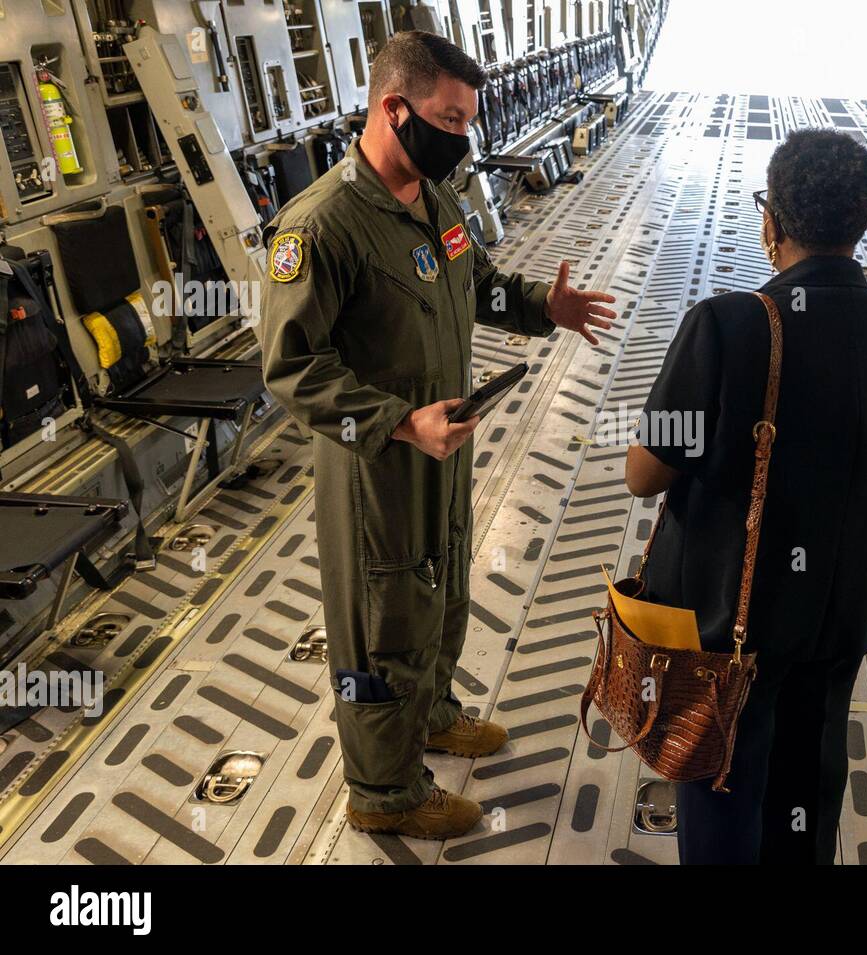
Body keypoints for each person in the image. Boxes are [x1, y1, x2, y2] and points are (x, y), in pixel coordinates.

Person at [259, 31, 616, 840]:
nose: (464, 137)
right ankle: (383, 792)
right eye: (450, 119)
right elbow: (288, 367)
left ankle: (433, 712)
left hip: (442, 445)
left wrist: (538, 307)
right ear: (395, 108)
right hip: (376, 466)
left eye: (468, 122)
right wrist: (394, 422)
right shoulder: (322, 227)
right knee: (385, 615)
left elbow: (475, 282)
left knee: (442, 584)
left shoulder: (431, 196)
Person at [624, 128, 867, 864]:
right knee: (808, 789)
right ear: (862, 222)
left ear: (771, 222)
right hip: (840, 617)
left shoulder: (725, 326)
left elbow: (644, 473)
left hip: (733, 626)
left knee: (725, 789)